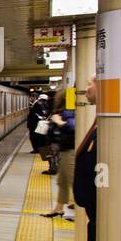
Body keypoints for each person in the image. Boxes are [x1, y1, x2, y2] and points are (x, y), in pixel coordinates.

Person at [73, 75, 99, 241]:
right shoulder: (101, 121)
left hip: (101, 200)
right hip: (93, 200)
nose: (85, 88)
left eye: (91, 83)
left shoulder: (111, 123)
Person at [41, 89, 75, 219]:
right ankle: (58, 208)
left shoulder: (68, 110)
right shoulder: (67, 110)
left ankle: (79, 210)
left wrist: (58, 122)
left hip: (70, 151)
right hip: (65, 150)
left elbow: (72, 127)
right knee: (62, 181)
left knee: (72, 181)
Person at [29, 93, 52, 166]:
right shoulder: (46, 104)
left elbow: (36, 115)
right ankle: (38, 149)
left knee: (34, 137)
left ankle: (37, 149)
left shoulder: (38, 104)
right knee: (39, 137)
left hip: (35, 124)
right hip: (39, 124)